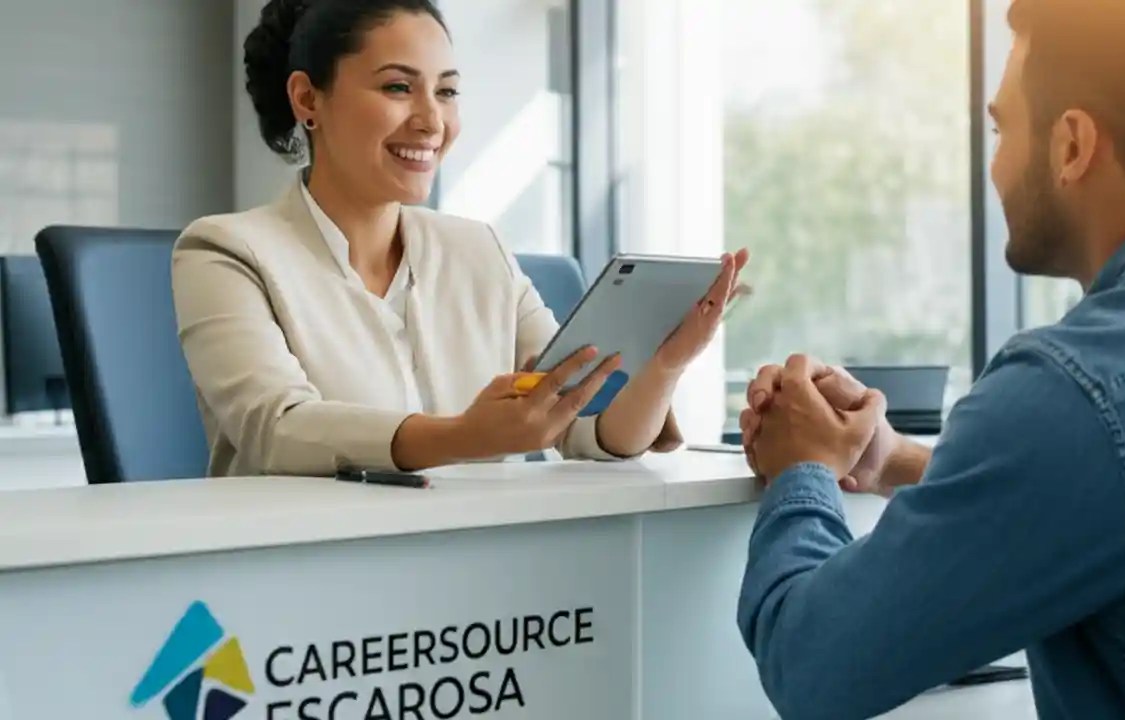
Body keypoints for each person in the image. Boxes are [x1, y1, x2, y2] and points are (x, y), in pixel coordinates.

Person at [736, 0, 1125, 718]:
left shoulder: (1078, 391)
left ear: (1072, 145)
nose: (994, 163)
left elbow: (809, 666)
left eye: (1001, 128)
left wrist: (800, 467)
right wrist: (897, 460)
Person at [173, 0, 746, 477]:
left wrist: (666, 366)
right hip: (300, 572)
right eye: (399, 87)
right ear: (307, 100)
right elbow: (276, 428)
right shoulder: (226, 252)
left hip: (470, 579)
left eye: (446, 92)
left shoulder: (480, 251)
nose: (431, 121)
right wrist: (461, 437)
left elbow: (583, 426)